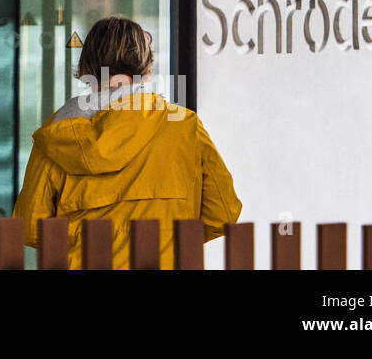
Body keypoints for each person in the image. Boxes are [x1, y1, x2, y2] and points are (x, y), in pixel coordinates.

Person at [13, 14, 240, 269]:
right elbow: (223, 213)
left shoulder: (56, 134)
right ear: (145, 66)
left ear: (87, 66)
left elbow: (30, 227)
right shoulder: (184, 127)